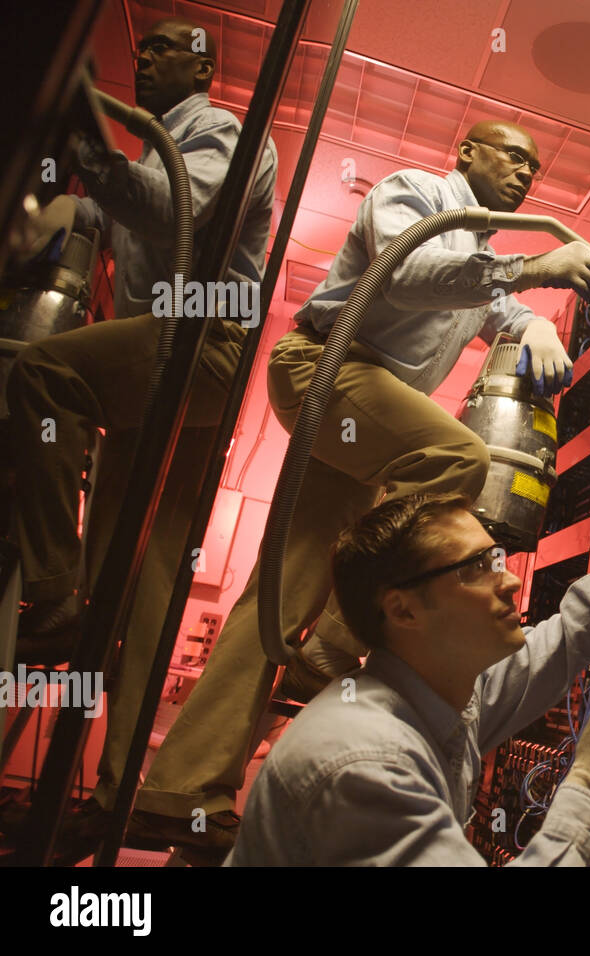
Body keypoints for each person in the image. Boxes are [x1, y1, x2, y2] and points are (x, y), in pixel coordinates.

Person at [115, 120, 590, 857]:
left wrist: (531, 323)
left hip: (354, 422)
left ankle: (179, 789)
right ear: (466, 153)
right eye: (512, 155)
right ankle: (329, 654)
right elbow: (406, 272)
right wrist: (535, 267)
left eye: (535, 167)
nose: (526, 173)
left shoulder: (474, 253)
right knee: (458, 459)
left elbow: (478, 292)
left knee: (279, 598)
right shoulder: (413, 192)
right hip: (323, 367)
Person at [2, 17, 277, 855]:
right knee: (141, 586)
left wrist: (88, 146)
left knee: (41, 375)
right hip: (157, 361)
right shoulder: (149, 149)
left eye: (165, 48)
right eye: (144, 46)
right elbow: (81, 211)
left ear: (203, 65)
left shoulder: (213, 131)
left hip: (199, 341)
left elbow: (173, 209)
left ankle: (48, 593)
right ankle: (110, 795)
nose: (148, 58)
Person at [228, 453, 590, 865]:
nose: (511, 579)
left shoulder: (444, 694)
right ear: (403, 609)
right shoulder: (366, 764)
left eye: (500, 559)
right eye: (477, 567)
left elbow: (571, 634)